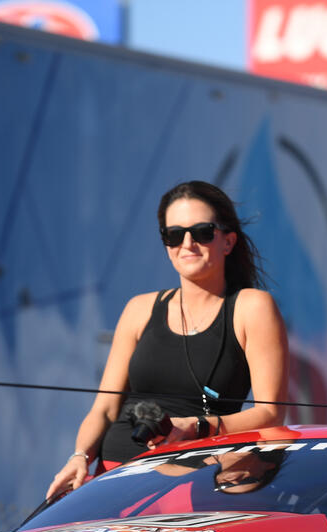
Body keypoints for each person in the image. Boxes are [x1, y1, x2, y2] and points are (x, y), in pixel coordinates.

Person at [46, 180, 288, 500]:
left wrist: (196, 427)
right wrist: (79, 458)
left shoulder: (252, 307)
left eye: (202, 232)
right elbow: (104, 409)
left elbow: (271, 414)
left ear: (228, 241)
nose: (187, 243)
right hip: (112, 477)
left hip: (193, 481)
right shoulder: (140, 308)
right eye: (173, 235)